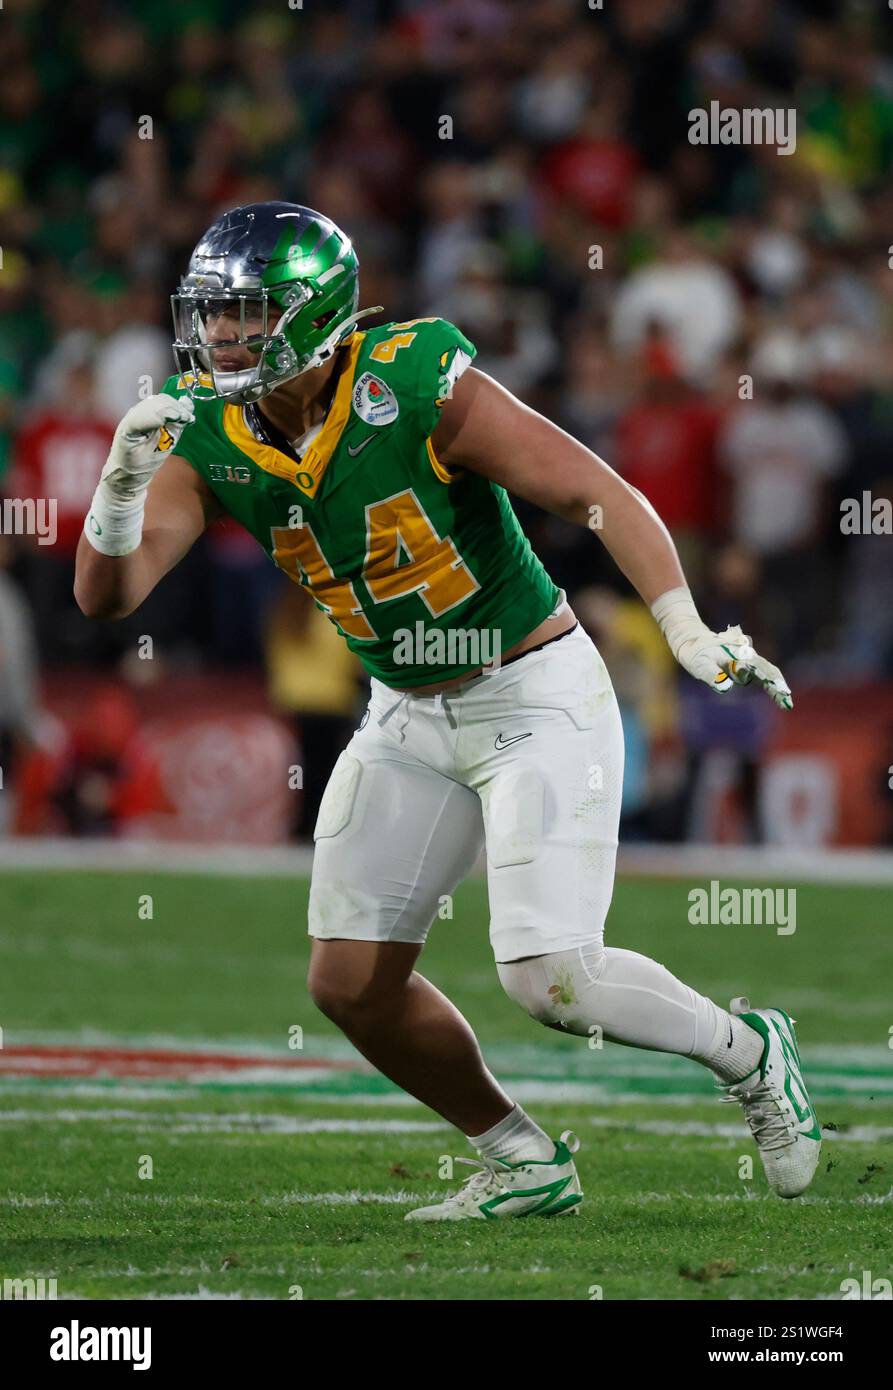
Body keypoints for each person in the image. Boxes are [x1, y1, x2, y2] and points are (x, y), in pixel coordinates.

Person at [74, 202, 820, 1220]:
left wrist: (682, 626)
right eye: (213, 314)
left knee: (549, 977)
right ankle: (519, 1156)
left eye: (248, 313)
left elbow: (593, 492)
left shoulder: (410, 378)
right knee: (348, 983)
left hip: (532, 690)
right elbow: (107, 598)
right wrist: (117, 490)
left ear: (314, 311)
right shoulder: (208, 427)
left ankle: (748, 1050)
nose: (223, 337)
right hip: (406, 712)